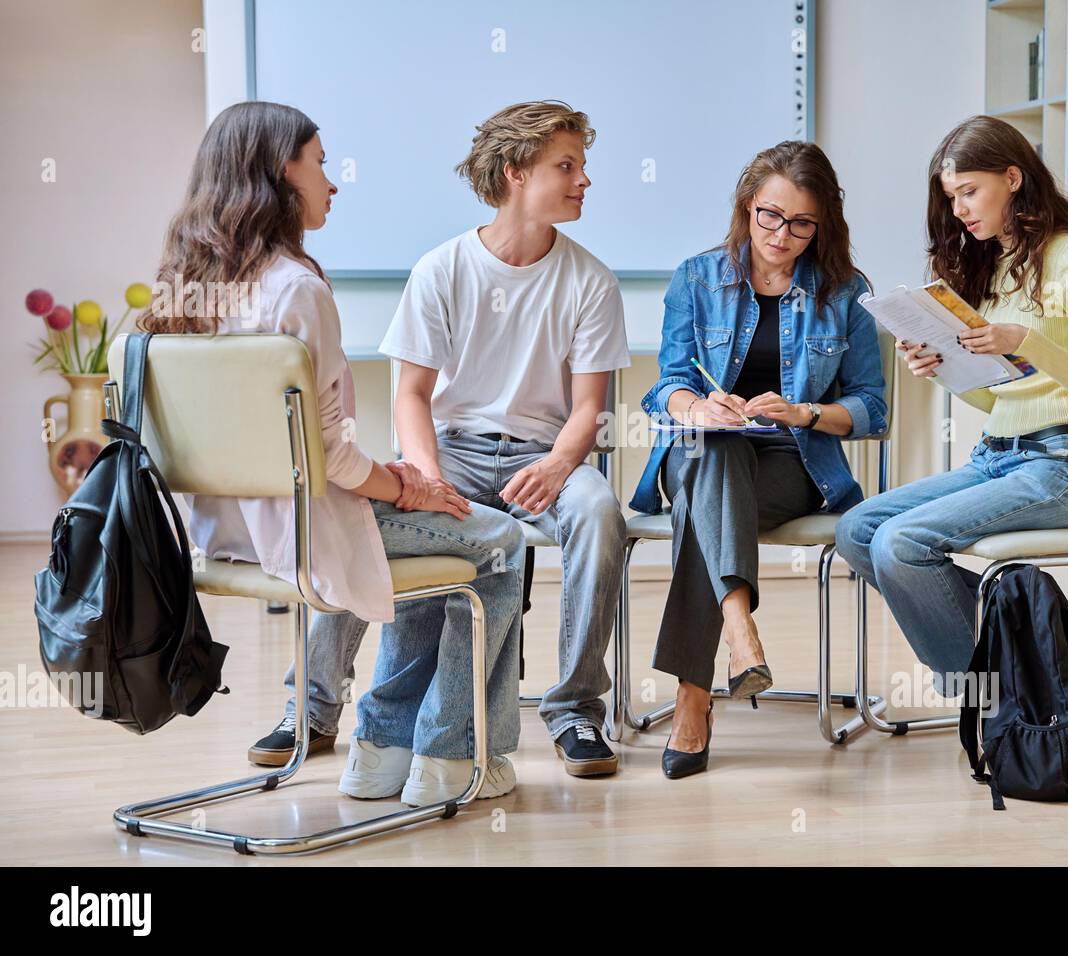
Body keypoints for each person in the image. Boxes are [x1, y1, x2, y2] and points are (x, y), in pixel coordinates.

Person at [149, 101, 525, 807]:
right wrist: (408, 486)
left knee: (433, 546)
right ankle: (447, 757)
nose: (333, 180)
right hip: (302, 533)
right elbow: (334, 462)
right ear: (279, 173)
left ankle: (383, 751)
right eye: (320, 163)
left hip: (220, 539)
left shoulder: (184, 288)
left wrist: (400, 485)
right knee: (500, 541)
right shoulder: (296, 290)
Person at [263, 100, 632, 778]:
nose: (584, 181)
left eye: (582, 167)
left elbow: (589, 410)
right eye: (567, 166)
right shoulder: (443, 269)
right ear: (517, 171)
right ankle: (312, 710)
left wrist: (556, 467)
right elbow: (410, 395)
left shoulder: (590, 281)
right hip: (453, 449)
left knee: (599, 514)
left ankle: (575, 709)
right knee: (370, 520)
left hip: (541, 455)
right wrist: (424, 480)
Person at [835, 114, 1068, 699]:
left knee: (902, 542)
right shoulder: (990, 265)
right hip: (996, 454)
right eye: (952, 197)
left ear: (1013, 178)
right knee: (859, 529)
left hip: (1064, 466)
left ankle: (985, 700)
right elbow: (998, 396)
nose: (961, 209)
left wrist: (1027, 342)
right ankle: (1016, 662)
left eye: (970, 191)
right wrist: (944, 370)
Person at [629, 141, 888, 778]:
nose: (782, 235)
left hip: (792, 463)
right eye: (769, 216)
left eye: (802, 224)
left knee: (702, 505)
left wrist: (803, 413)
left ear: (823, 224)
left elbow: (872, 407)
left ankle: (696, 702)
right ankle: (740, 635)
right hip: (702, 447)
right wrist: (696, 407)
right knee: (713, 451)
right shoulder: (697, 277)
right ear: (747, 209)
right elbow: (664, 385)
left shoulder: (845, 292)